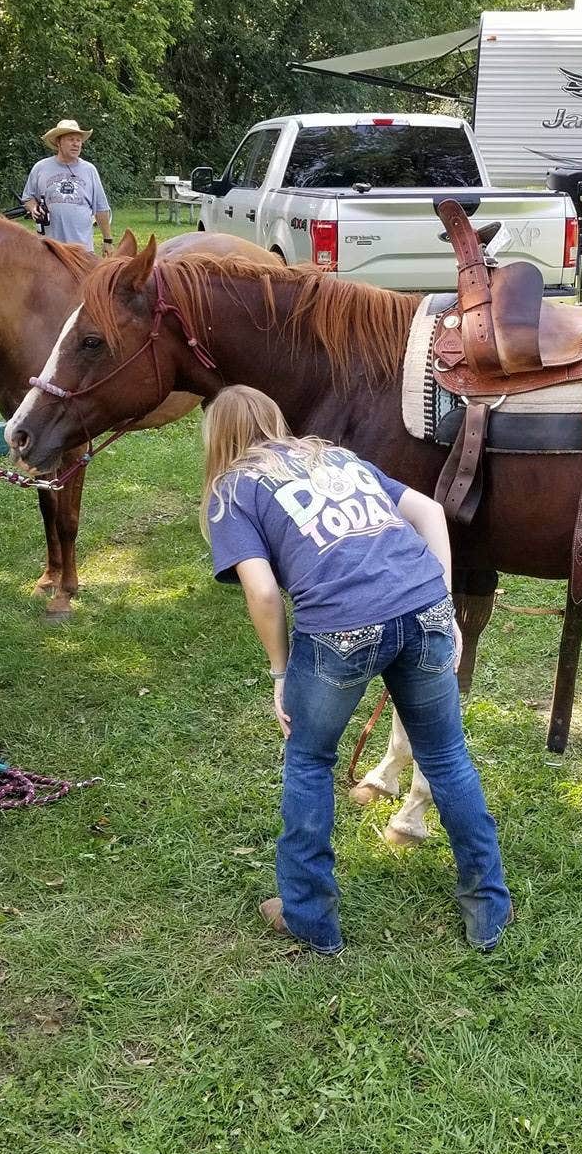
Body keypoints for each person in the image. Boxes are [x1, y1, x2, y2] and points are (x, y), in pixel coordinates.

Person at [202, 385, 513, 954]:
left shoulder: (232, 489)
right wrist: (438, 593)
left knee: (309, 761)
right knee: (446, 756)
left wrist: (279, 673)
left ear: (215, 438)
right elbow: (426, 509)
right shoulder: (334, 456)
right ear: (276, 419)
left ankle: (309, 917)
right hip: (424, 612)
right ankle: (488, 905)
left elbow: (264, 591)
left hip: (339, 631)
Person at [22, 118, 113, 254]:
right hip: (49, 249)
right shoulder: (41, 168)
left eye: (78, 140)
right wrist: (34, 208)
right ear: (58, 142)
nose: (76, 144)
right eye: (71, 139)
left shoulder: (89, 170)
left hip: (82, 250)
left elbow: (101, 208)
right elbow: (28, 198)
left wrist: (107, 240)